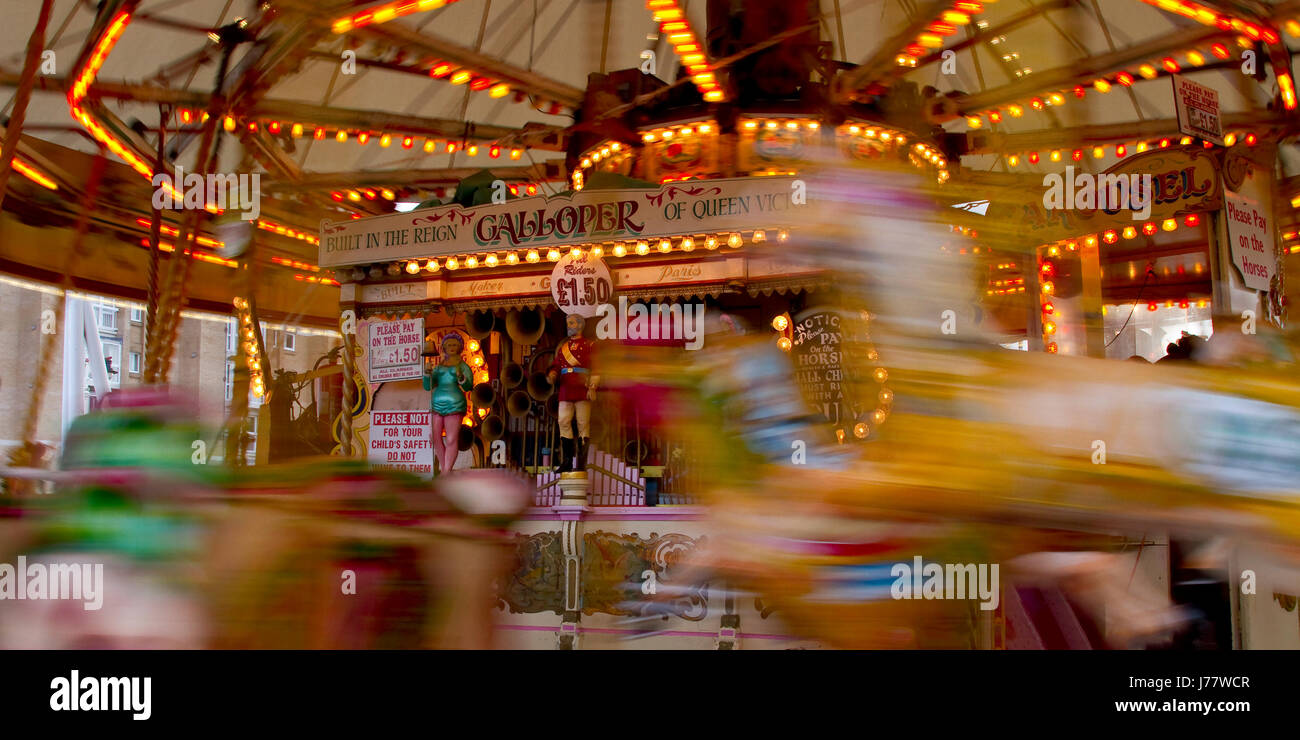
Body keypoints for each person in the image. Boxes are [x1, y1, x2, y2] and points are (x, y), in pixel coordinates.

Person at [548, 313, 599, 473]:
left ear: (580, 325)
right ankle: (567, 461)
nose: (568, 326)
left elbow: (596, 367)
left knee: (583, 424)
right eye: (567, 323)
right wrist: (553, 373)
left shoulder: (590, 345)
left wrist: (592, 386)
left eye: (571, 323)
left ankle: (581, 463)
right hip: (566, 387)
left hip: (582, 386)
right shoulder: (563, 348)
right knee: (563, 421)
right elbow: (557, 365)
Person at [423, 333, 474, 474]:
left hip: (454, 404)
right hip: (436, 405)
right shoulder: (438, 367)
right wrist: (427, 374)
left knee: (451, 438)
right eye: (449, 345)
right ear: (444, 347)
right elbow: (428, 386)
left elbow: (468, 386)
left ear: (460, 347)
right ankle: (445, 468)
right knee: (435, 436)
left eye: (455, 345)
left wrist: (461, 377)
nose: (452, 347)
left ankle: (446, 471)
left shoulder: (462, 366)